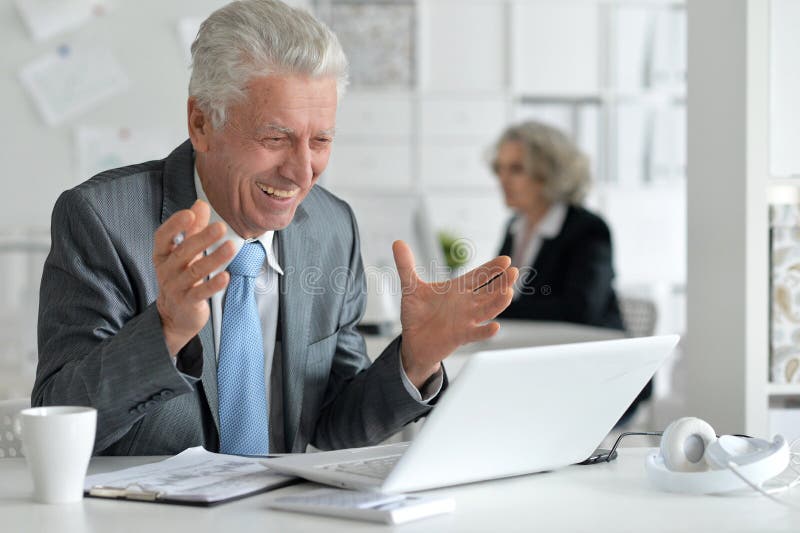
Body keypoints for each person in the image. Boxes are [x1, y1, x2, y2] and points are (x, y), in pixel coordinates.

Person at [32, 0, 517, 456]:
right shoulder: (102, 219)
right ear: (201, 123)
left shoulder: (331, 227)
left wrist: (416, 359)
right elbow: (59, 421)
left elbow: (332, 423)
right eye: (275, 138)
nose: (303, 171)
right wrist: (166, 331)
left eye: (321, 140)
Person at [491, 121, 624, 331]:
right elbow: (499, 293)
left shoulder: (588, 229)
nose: (502, 179)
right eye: (500, 168)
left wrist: (494, 309)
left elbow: (580, 310)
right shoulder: (515, 226)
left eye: (516, 169)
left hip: (590, 349)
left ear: (548, 173)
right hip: (535, 343)